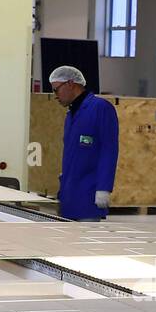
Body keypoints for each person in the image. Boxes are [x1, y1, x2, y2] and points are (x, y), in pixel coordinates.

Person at [49, 65, 118, 221]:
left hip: (89, 193)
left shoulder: (100, 108)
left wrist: (104, 188)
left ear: (70, 84)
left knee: (84, 241)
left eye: (56, 90)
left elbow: (109, 150)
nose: (55, 95)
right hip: (69, 193)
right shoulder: (71, 115)